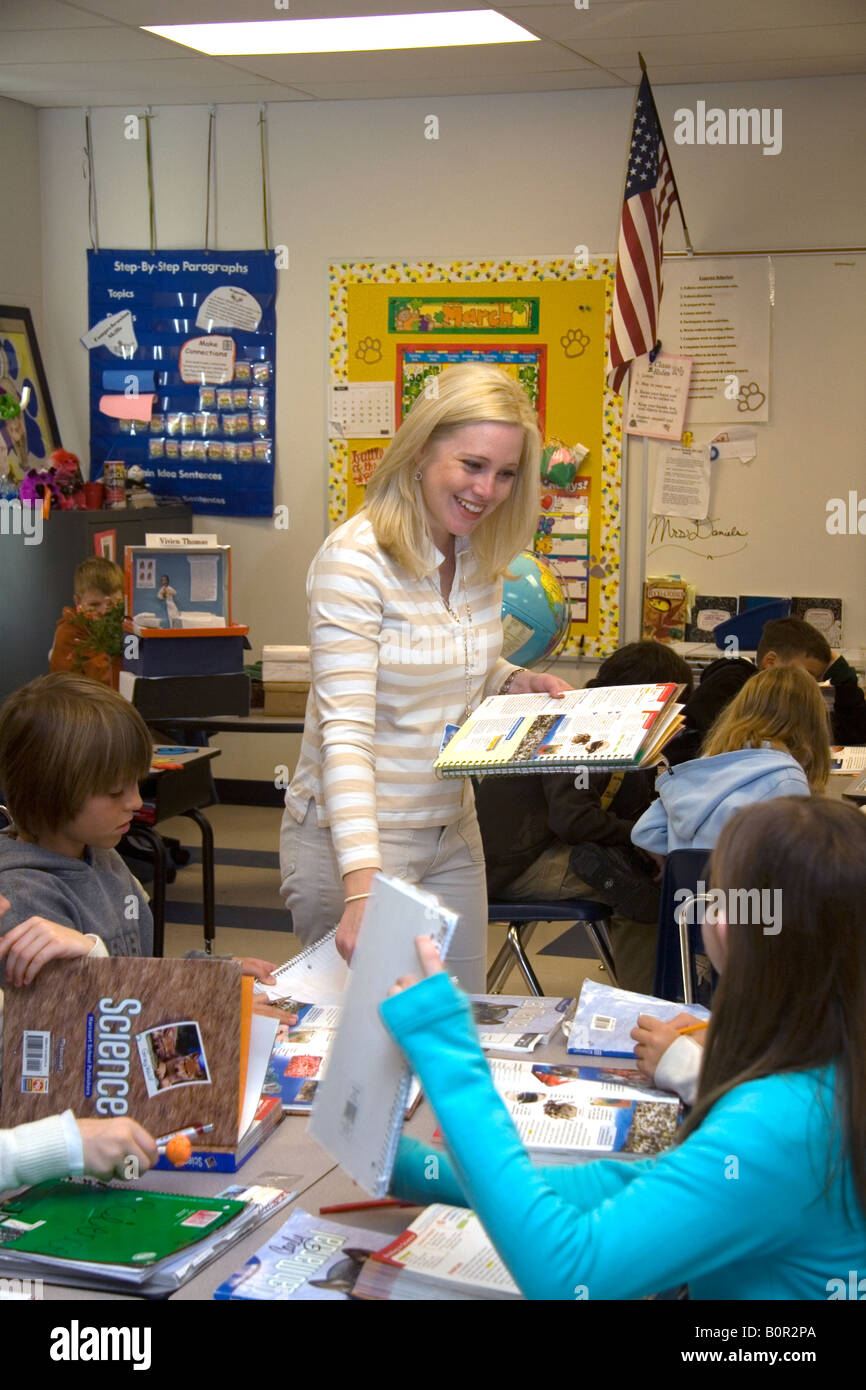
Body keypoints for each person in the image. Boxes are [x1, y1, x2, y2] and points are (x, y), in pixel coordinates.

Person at [379, 797, 866, 1299]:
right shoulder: (826, 1068)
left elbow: (570, 1276)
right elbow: (626, 1187)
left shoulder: (779, 1121)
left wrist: (449, 1052)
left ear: (723, 925)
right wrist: (417, 1171)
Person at [280, 364, 570, 991]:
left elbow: (461, 665)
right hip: (358, 842)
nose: (487, 489)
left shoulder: (477, 554)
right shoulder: (354, 562)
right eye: (471, 465)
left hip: (451, 827)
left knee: (456, 1027)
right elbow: (346, 736)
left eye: (506, 473)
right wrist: (362, 889)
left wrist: (514, 682)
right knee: (358, 1054)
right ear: (419, 451)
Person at [0, 675, 295, 1022]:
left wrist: (210, 972)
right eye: (115, 792)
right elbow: (88, 1028)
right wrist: (212, 1006)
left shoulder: (103, 855)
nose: (136, 802)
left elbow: (136, 968)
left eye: (137, 784)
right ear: (50, 792)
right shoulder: (24, 898)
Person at [476, 640, 694, 992]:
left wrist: (647, 839)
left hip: (533, 849)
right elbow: (573, 820)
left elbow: (621, 811)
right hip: (510, 866)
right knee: (642, 896)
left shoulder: (608, 722)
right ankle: (642, 1010)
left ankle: (651, 996)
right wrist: (643, 841)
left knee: (647, 878)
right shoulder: (580, 722)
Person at [630, 664, 829, 857]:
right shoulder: (788, 780)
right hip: (750, 889)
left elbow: (645, 831)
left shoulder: (706, 764)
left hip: (690, 889)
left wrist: (682, 861)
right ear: (811, 724)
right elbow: (796, 864)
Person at [685, 615, 866, 746]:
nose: (810, 685)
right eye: (809, 675)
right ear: (770, 662)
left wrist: (842, 675)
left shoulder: (788, 698)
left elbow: (851, 734)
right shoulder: (730, 684)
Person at [48, 556, 125, 690]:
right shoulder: (68, 634)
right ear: (78, 602)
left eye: (113, 603)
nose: (105, 611)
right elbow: (69, 691)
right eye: (94, 605)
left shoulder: (126, 629)